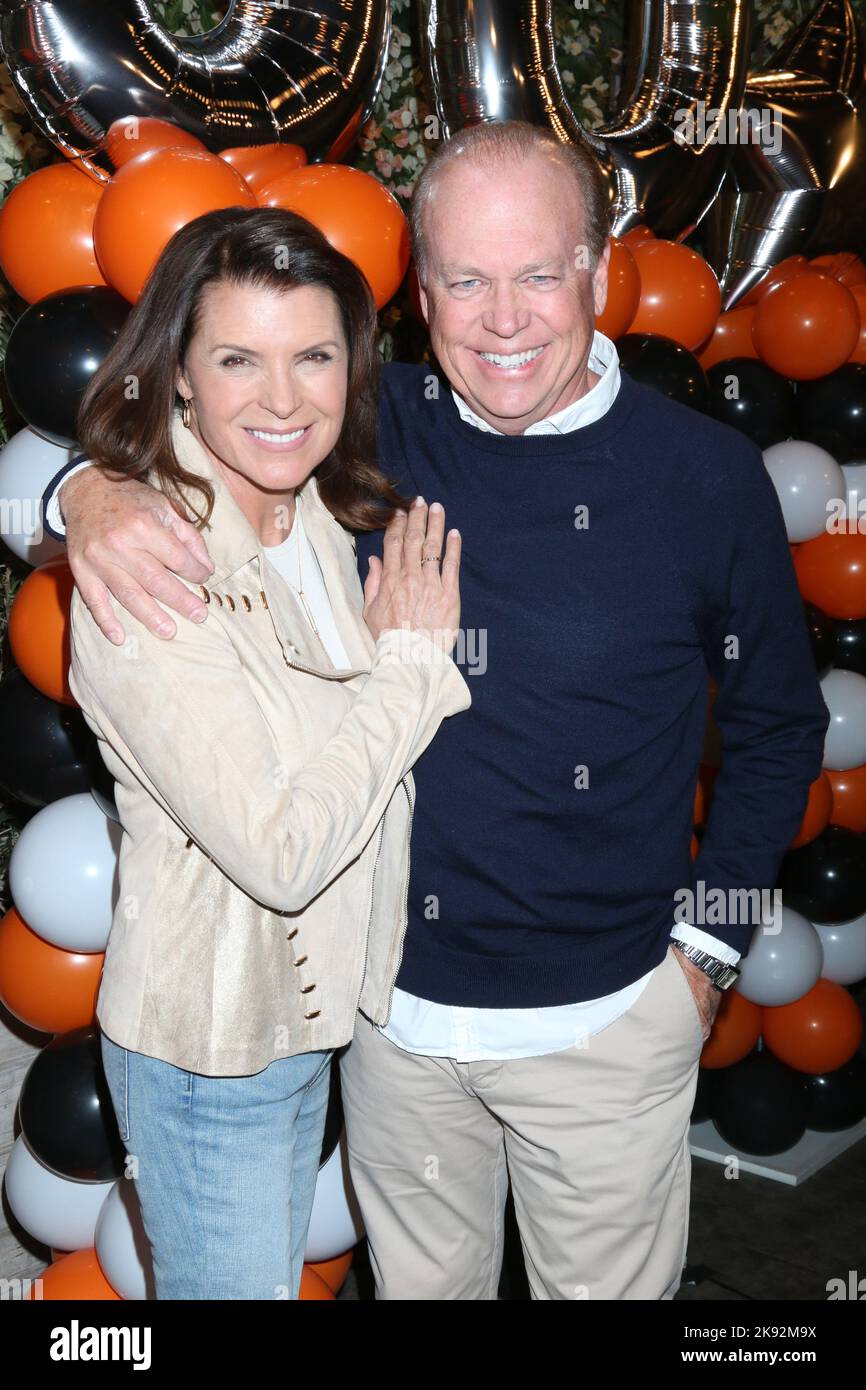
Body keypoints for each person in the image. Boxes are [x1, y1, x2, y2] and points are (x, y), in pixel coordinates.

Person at [44, 122, 829, 1301]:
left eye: (536, 274)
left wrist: (703, 958)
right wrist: (88, 494)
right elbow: (206, 409)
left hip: (608, 1026)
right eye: (465, 279)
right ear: (419, 294)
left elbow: (778, 732)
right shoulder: (365, 429)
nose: (502, 319)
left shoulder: (703, 476)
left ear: (598, 273)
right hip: (388, 1030)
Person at [61, 205, 470, 1299]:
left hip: (305, 1027)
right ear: (179, 374)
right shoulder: (150, 571)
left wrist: (77, 485)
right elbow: (282, 851)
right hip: (210, 1053)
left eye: (313, 357)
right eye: (237, 358)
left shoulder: (319, 518)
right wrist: (412, 670)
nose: (282, 399)